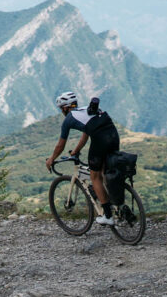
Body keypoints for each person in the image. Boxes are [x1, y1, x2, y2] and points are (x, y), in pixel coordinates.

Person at [46, 90, 121, 225]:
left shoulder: (69, 119)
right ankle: (118, 206)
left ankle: (108, 216)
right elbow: (86, 134)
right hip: (114, 136)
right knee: (104, 172)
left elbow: (60, 145)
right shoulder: (87, 110)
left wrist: (51, 159)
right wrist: (76, 150)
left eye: (61, 109)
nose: (61, 111)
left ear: (65, 107)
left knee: (94, 177)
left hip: (100, 141)